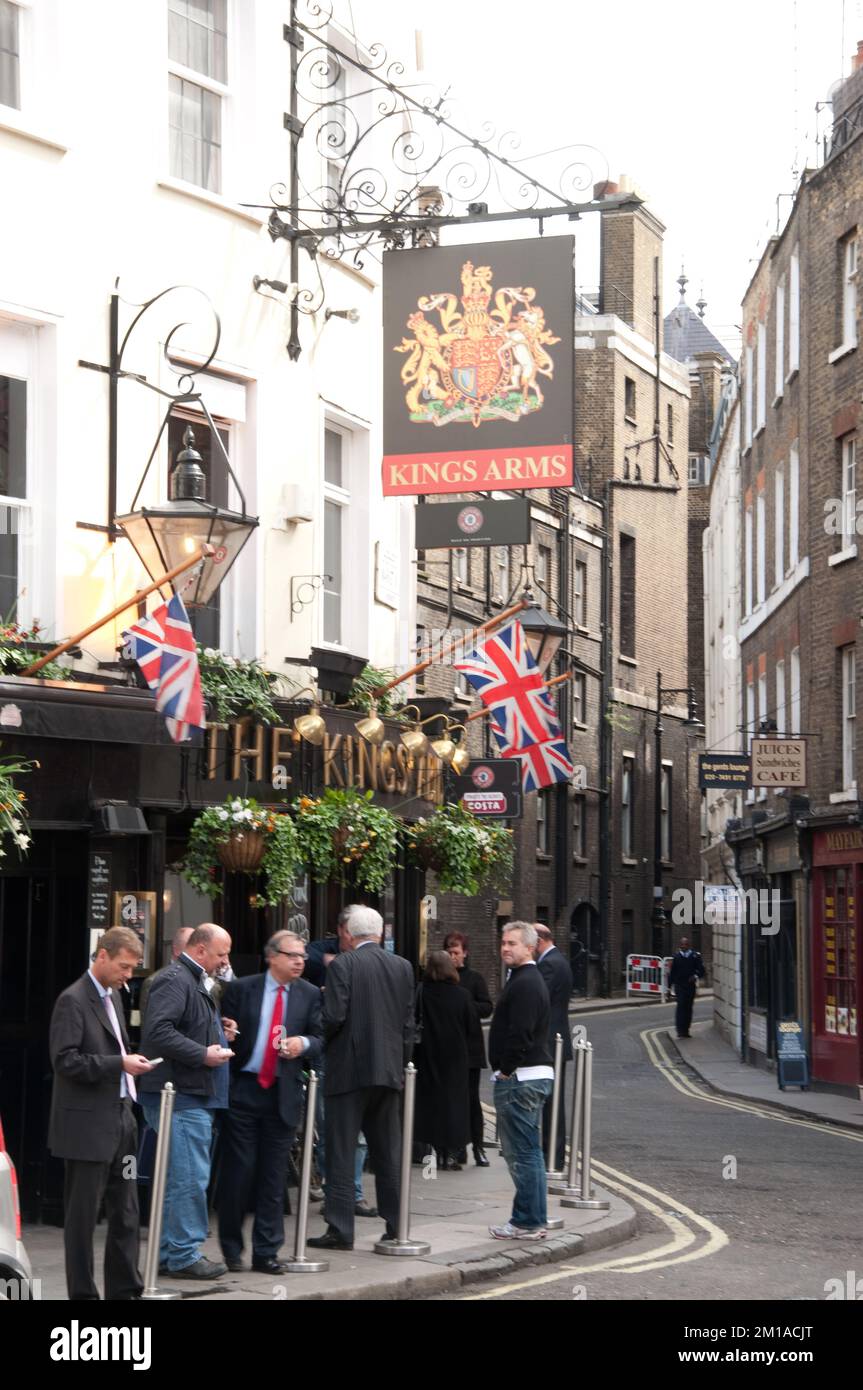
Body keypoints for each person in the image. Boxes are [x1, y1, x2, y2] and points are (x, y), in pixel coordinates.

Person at [48, 927, 156, 1301]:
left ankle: (125, 1290)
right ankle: (83, 1295)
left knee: (126, 1209)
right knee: (82, 1218)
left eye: (133, 968)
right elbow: (66, 1061)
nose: (129, 975)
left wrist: (128, 1065)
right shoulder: (73, 1000)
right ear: (103, 956)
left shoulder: (112, 997)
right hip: (86, 1129)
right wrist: (119, 1064)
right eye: (124, 967)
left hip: (122, 1123)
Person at [308, 905, 414, 1252]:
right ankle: (396, 1226)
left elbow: (335, 1016)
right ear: (381, 934)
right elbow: (408, 1024)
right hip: (388, 1072)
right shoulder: (402, 967)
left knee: (341, 1150)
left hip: (348, 1073)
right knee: (388, 1153)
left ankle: (341, 1230)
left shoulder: (343, 965)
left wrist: (316, 1029)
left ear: (349, 935)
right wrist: (401, 1066)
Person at [217, 931, 322, 1274]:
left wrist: (302, 1044)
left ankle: (266, 1252)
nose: (299, 962)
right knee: (239, 1172)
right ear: (272, 956)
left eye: (303, 957)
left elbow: (322, 1038)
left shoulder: (308, 994)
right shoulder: (241, 989)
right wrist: (225, 1032)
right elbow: (222, 1032)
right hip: (245, 1090)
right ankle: (232, 1248)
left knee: (273, 1178)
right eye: (292, 955)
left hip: (283, 1093)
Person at [138, 924, 235, 1279]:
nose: (225, 961)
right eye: (221, 953)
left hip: (185, 1093)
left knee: (177, 1177)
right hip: (179, 1094)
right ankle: (183, 1253)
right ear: (199, 951)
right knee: (189, 1178)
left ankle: (168, 1252)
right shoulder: (176, 978)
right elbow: (159, 1031)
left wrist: (217, 1030)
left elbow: (178, 1026)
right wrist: (202, 1054)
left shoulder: (190, 979)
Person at [487, 921, 553, 1241]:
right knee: (529, 1153)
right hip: (529, 1077)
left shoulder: (526, 982)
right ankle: (530, 1218)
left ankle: (527, 1221)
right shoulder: (525, 979)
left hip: (521, 1078)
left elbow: (521, 1033)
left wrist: (505, 1070)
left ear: (530, 947)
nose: (505, 948)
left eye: (512, 943)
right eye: (503, 942)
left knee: (522, 1154)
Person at [414, 950, 472, 1170]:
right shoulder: (463, 995)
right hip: (455, 1057)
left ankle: (434, 1151)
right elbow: (471, 1027)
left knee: (431, 1103)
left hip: (427, 1055)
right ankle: (451, 1154)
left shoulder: (422, 991)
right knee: (453, 1105)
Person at [444, 931, 493, 1166]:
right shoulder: (441, 979)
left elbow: (487, 1007)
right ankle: (456, 1149)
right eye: (449, 953)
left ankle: (479, 1148)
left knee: (472, 1101)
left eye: (456, 952)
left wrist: (463, 1006)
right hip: (449, 1051)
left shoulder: (474, 979)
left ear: (465, 953)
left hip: (471, 1050)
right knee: (452, 1102)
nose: (453, 957)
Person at [534, 924, 573, 1171]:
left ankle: (553, 1157)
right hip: (556, 1042)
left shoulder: (549, 964)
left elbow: (539, 1000)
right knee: (551, 1102)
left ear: (539, 941)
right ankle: (551, 1155)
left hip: (550, 1043)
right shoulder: (560, 960)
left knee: (551, 1103)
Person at [138, 925, 192, 1021]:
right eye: (192, 950)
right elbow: (151, 1028)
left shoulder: (201, 977)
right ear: (177, 951)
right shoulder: (154, 982)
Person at [668, 936, 705, 1038]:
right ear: (680, 945)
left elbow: (702, 971)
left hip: (690, 986)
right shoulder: (676, 957)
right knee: (680, 1006)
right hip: (679, 986)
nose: (683, 946)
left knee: (688, 1008)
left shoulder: (695, 956)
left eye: (685, 944)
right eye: (682, 944)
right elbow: (672, 973)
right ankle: (680, 1031)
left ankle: (686, 1030)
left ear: (689, 945)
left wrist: (695, 976)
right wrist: (669, 987)